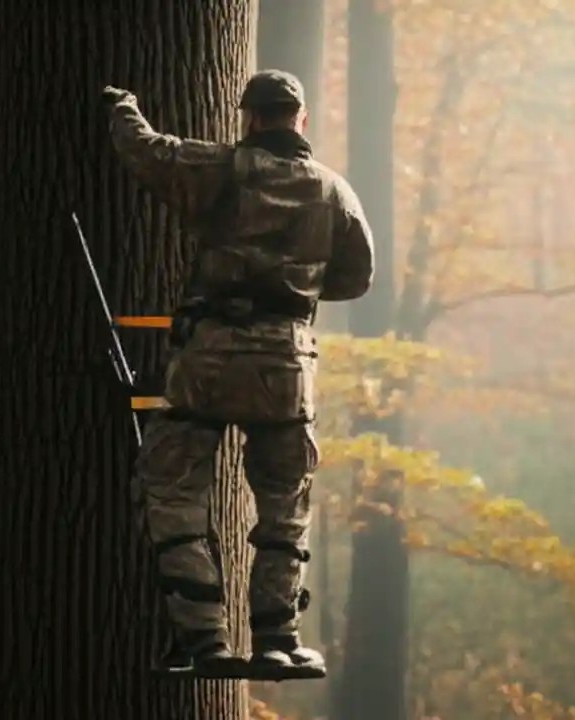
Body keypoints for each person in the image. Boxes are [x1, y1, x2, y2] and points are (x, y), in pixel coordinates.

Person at [101, 70, 373, 680]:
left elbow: (148, 152)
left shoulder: (222, 168)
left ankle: (205, 642)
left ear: (249, 117)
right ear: (300, 119)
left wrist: (124, 107)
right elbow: (357, 279)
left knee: (171, 489)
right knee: (284, 506)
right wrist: (295, 284)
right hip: (287, 365)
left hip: (210, 359)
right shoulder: (335, 192)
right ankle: (278, 639)